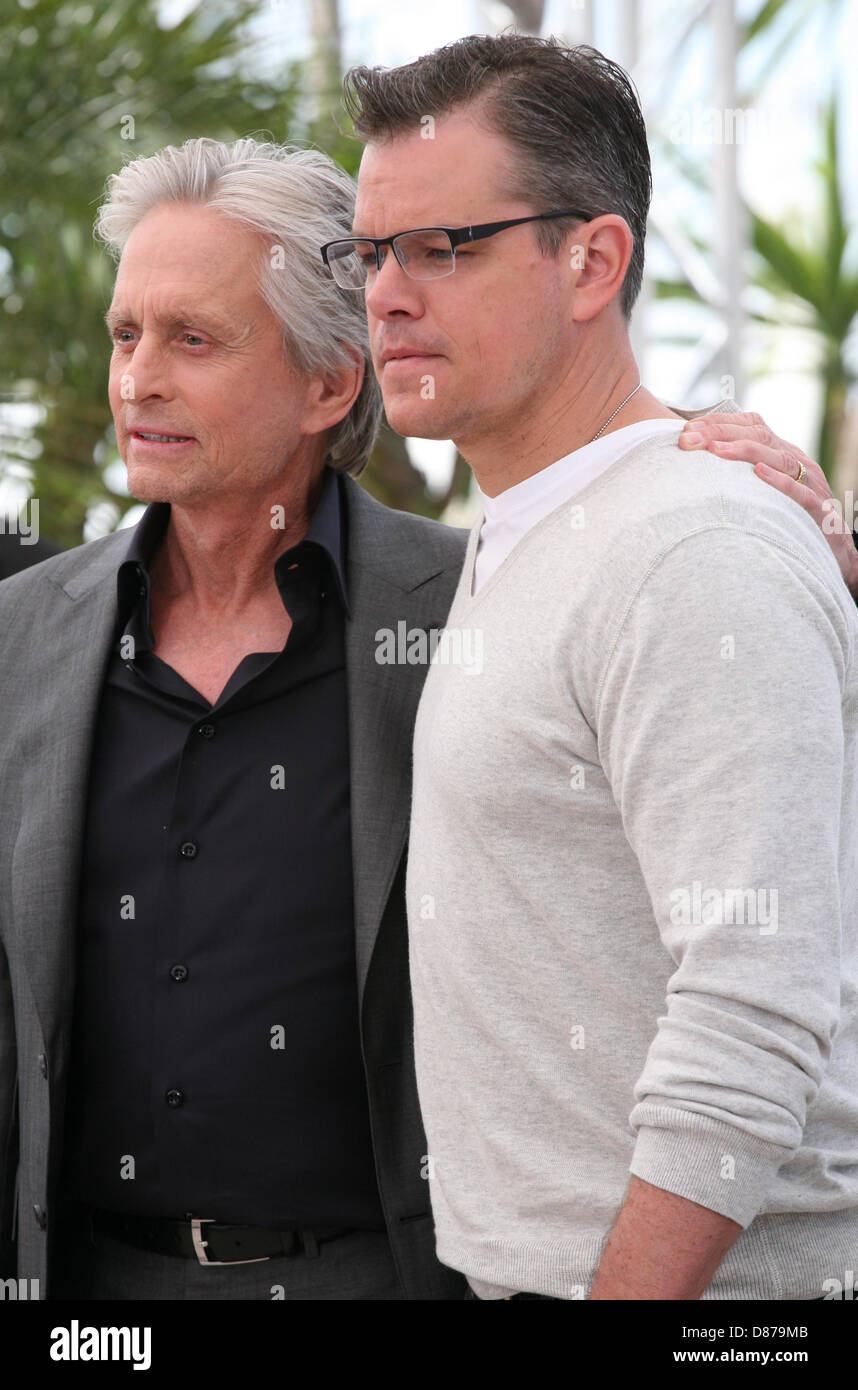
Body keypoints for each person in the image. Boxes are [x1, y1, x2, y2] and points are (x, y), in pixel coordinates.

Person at [335, 33, 858, 1300]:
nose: (388, 294)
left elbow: (752, 1012)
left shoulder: (691, 545)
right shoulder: (535, 529)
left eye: (441, 247)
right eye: (370, 253)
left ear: (593, 260)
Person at [0, 138, 467, 1301]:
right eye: (126, 333)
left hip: (379, 1278)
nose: (135, 379)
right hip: (87, 1293)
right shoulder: (18, 637)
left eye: (191, 340)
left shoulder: (475, 610)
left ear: (328, 382)